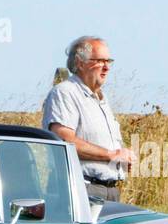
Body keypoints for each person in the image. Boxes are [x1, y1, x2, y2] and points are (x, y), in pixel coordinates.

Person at [42, 36, 135, 203]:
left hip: (110, 191)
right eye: (99, 61)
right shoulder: (65, 93)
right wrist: (111, 155)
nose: (106, 67)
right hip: (82, 190)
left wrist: (121, 159)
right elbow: (64, 140)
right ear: (80, 63)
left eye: (108, 61)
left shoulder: (100, 99)